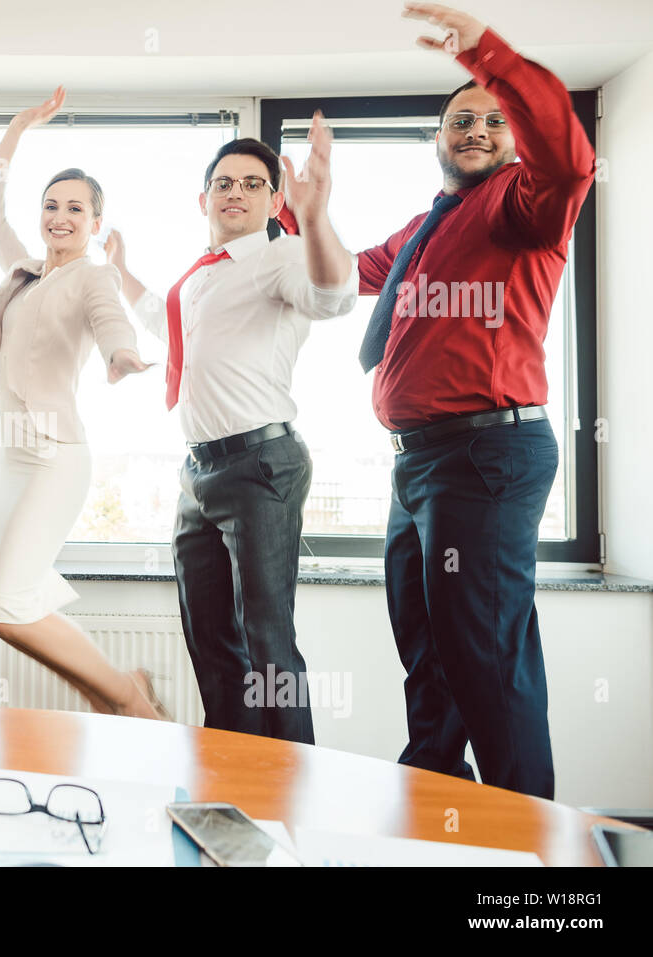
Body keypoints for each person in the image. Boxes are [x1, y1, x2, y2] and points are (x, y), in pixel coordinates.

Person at [352, 3, 594, 798]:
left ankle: (537, 849)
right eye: (460, 119)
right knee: (431, 656)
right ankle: (436, 817)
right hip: (419, 467)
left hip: (484, 455)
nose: (477, 128)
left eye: (493, 118)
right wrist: (289, 211)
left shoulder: (525, 205)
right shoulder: (425, 229)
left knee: (487, 658)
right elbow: (347, 270)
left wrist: (489, 59)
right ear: (437, 140)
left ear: (514, 137)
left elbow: (567, 157)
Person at [107, 125, 358, 742]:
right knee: (209, 638)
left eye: (253, 184)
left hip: (260, 464)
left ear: (276, 202)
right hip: (198, 474)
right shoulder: (201, 277)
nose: (235, 193)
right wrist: (118, 269)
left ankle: (296, 790)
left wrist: (316, 217)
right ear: (204, 201)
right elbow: (166, 326)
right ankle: (236, 778)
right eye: (223, 184)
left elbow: (334, 296)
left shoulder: (283, 256)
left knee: (265, 639)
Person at [0, 86, 165, 720]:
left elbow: (111, 321)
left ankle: (125, 696)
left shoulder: (92, 275)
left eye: (76, 208)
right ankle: (113, 688)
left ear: (96, 223)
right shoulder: (21, 271)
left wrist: (121, 356)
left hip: (54, 457)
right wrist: (16, 129)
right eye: (51, 206)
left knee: (11, 600)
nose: (60, 217)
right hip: (11, 456)